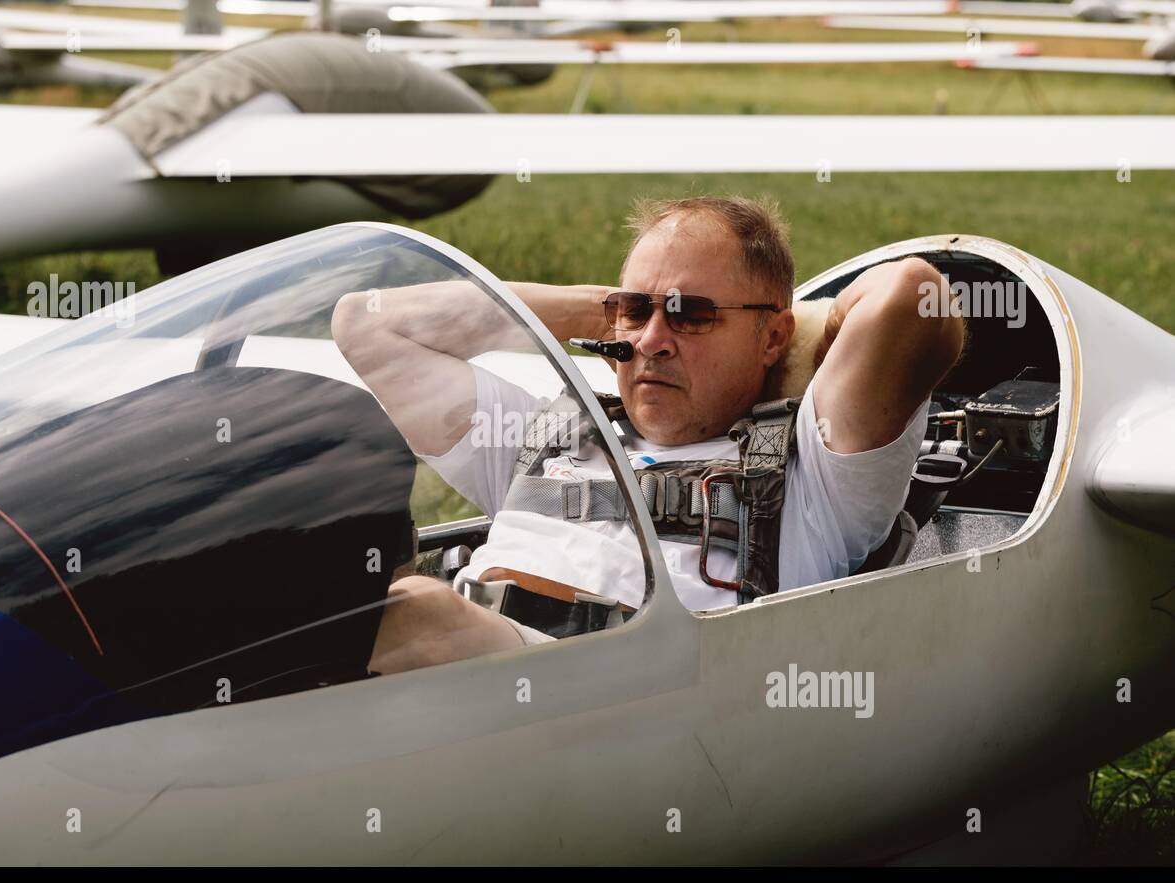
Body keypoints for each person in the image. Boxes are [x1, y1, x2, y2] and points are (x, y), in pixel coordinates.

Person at [332, 196, 966, 675]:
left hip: (624, 714)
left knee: (417, 617)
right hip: (456, 696)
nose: (650, 341)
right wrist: (607, 308)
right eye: (635, 313)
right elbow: (367, 324)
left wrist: (794, 346)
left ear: (773, 336)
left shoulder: (814, 477)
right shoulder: (546, 432)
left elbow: (912, 297)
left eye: (692, 315)